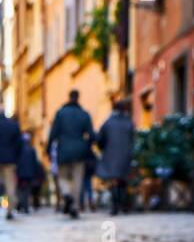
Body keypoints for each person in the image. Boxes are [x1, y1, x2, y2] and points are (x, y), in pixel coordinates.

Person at [47, 89, 93, 218]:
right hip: (79, 151)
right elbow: (91, 134)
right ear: (78, 98)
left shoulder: (60, 114)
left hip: (63, 151)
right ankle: (75, 206)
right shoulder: (84, 114)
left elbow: (53, 133)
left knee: (62, 177)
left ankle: (66, 194)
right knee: (78, 179)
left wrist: (49, 149)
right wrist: (87, 148)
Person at [96, 98, 135, 215]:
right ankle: (123, 204)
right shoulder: (129, 122)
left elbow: (100, 139)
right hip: (126, 154)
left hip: (111, 154)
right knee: (123, 179)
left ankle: (115, 205)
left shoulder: (108, 123)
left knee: (113, 180)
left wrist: (103, 148)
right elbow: (133, 138)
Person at [17, 133, 43, 213]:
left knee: (21, 189)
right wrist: (36, 173)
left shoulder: (19, 150)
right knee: (27, 190)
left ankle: (22, 204)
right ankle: (25, 205)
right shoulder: (32, 150)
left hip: (21, 173)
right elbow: (35, 163)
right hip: (29, 173)